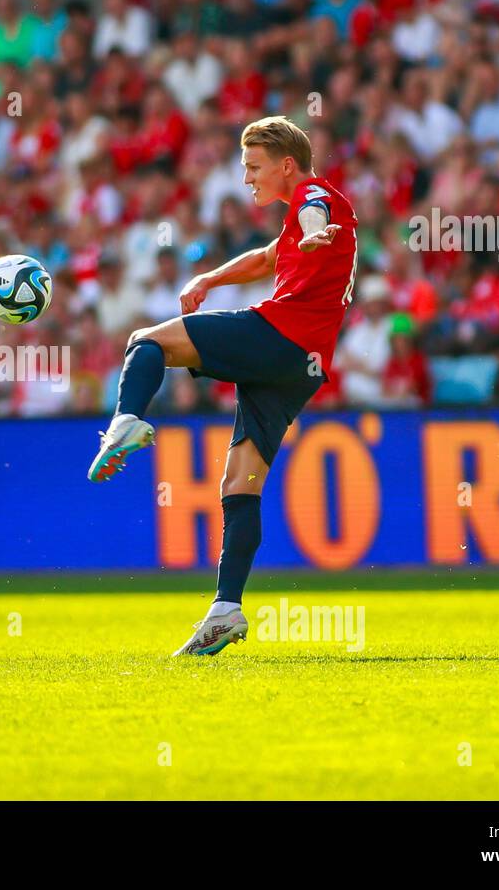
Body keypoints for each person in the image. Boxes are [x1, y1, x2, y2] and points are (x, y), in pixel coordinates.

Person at [87, 116, 357, 656]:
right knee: (240, 482)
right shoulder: (310, 214)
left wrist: (309, 229)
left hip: (279, 335)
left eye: (254, 167)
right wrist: (209, 278)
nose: (247, 178)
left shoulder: (314, 195)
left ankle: (127, 421)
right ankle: (226, 610)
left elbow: (312, 216)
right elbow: (264, 258)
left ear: (285, 164)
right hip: (301, 365)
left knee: (148, 341)